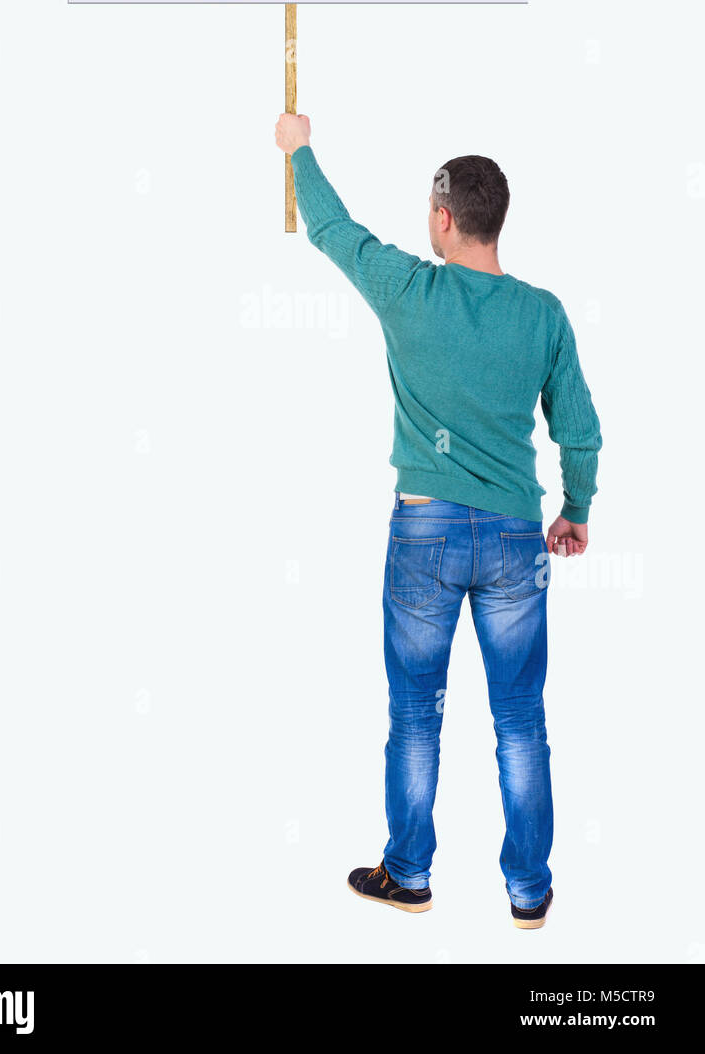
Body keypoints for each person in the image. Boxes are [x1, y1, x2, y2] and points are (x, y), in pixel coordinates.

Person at [274, 113, 602, 929]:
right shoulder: (543, 314)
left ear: (444, 217)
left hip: (423, 535)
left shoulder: (408, 288)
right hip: (516, 538)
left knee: (416, 713)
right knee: (520, 718)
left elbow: (330, 227)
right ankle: (529, 892)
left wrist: (296, 149)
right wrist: (576, 508)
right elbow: (580, 430)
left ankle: (410, 874)